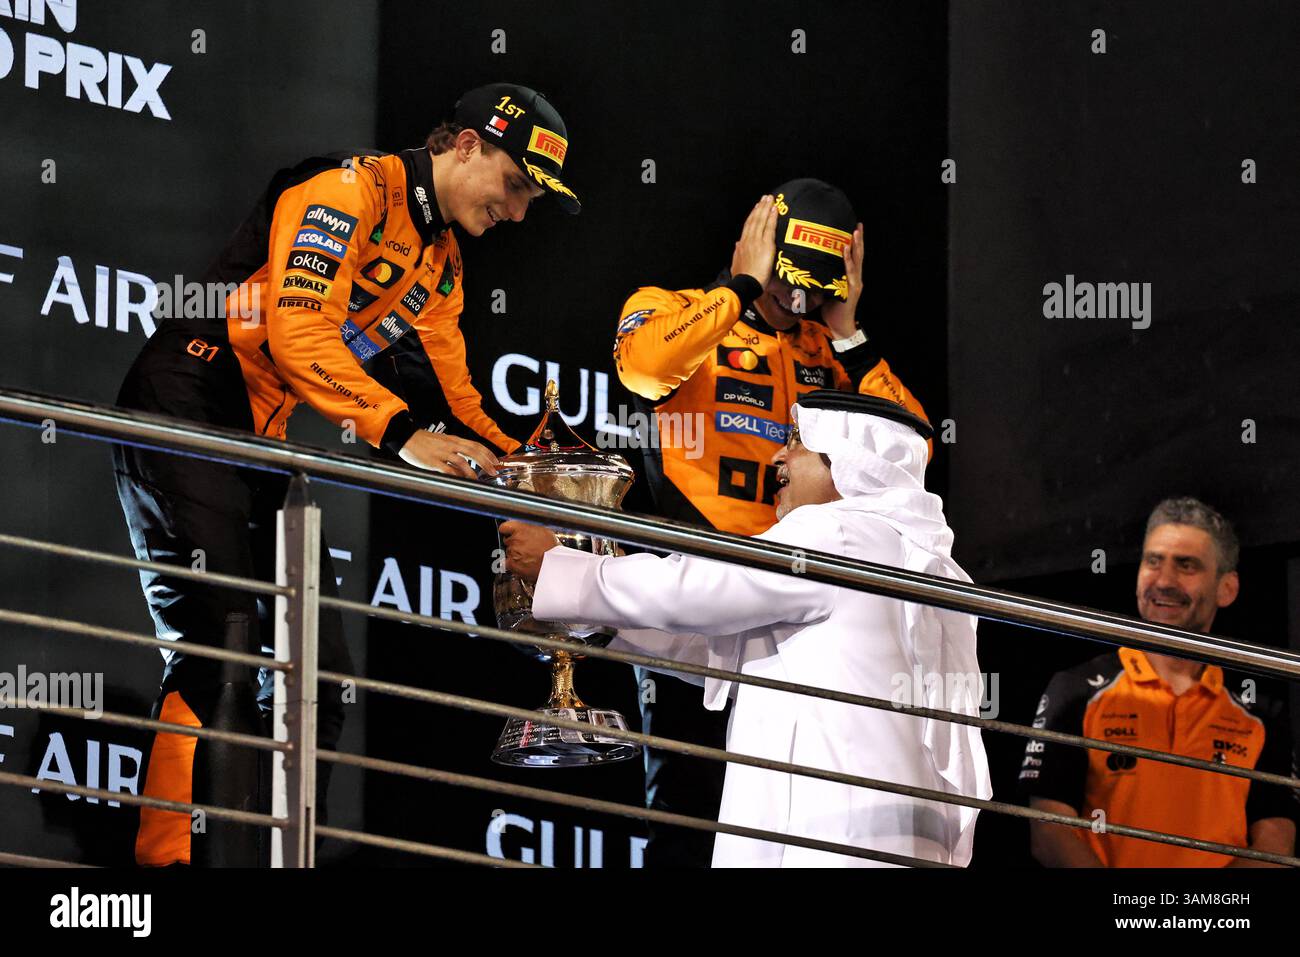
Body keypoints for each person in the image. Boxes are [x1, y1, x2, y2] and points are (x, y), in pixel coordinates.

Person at [112, 83, 580, 866]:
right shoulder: (347, 189)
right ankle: (168, 865)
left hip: (259, 438)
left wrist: (537, 463)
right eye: (516, 186)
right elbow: (299, 330)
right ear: (465, 145)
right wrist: (399, 431)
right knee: (220, 645)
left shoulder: (443, 265)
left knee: (319, 678)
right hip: (186, 395)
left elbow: (456, 396)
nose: (519, 212)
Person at [501, 390, 990, 867]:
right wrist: (604, 611)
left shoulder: (838, 532)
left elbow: (698, 588)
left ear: (847, 462)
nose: (779, 455)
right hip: (899, 834)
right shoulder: (928, 565)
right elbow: (724, 649)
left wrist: (567, 567)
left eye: (797, 441)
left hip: (830, 838)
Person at [611, 180, 932, 865]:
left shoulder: (831, 348)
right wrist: (738, 288)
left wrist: (849, 333)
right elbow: (643, 370)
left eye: (816, 289)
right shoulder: (673, 309)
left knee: (784, 820)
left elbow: (915, 450)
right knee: (685, 822)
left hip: (799, 622)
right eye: (787, 281)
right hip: (696, 601)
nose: (798, 301)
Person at [1020, 497, 1299, 867]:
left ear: (1226, 589)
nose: (1164, 581)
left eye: (1186, 566)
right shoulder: (1077, 688)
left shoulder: (1262, 712)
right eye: (1154, 561)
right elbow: (1049, 830)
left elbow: (1275, 846)